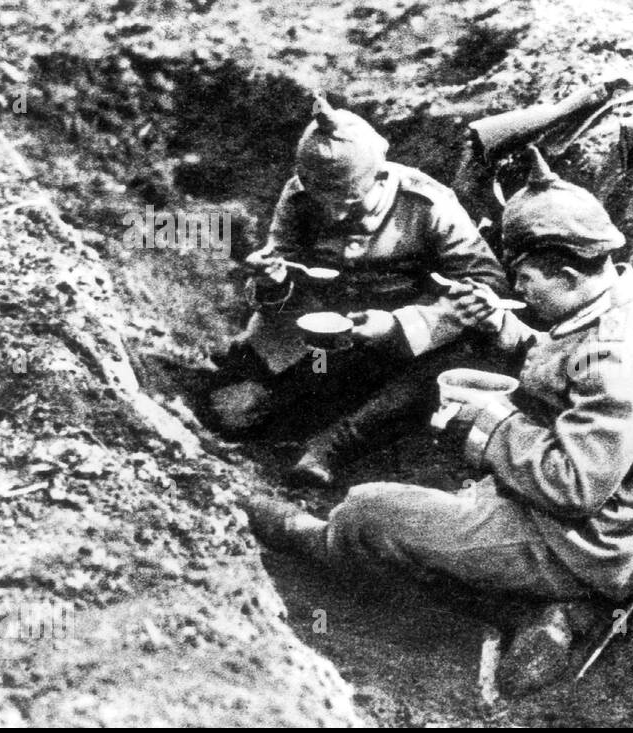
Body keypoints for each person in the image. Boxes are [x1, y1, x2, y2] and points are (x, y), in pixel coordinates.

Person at [242, 149, 633, 691]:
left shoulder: (621, 359)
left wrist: (489, 426)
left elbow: (574, 487)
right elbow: (568, 363)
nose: (517, 290)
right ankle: (548, 610)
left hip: (587, 535)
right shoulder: (620, 300)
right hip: (585, 504)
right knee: (434, 505)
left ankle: (321, 538)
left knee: (370, 511)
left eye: (525, 280)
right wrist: (505, 326)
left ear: (569, 273)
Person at [209, 92, 512, 486]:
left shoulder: (427, 204)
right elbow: (284, 279)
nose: (334, 214)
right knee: (238, 412)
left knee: (438, 375)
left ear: (381, 176)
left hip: (404, 341)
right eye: (323, 201)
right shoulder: (300, 196)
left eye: (350, 202)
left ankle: (336, 443)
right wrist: (272, 280)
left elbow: (487, 285)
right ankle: (282, 390)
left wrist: (400, 325)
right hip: (325, 334)